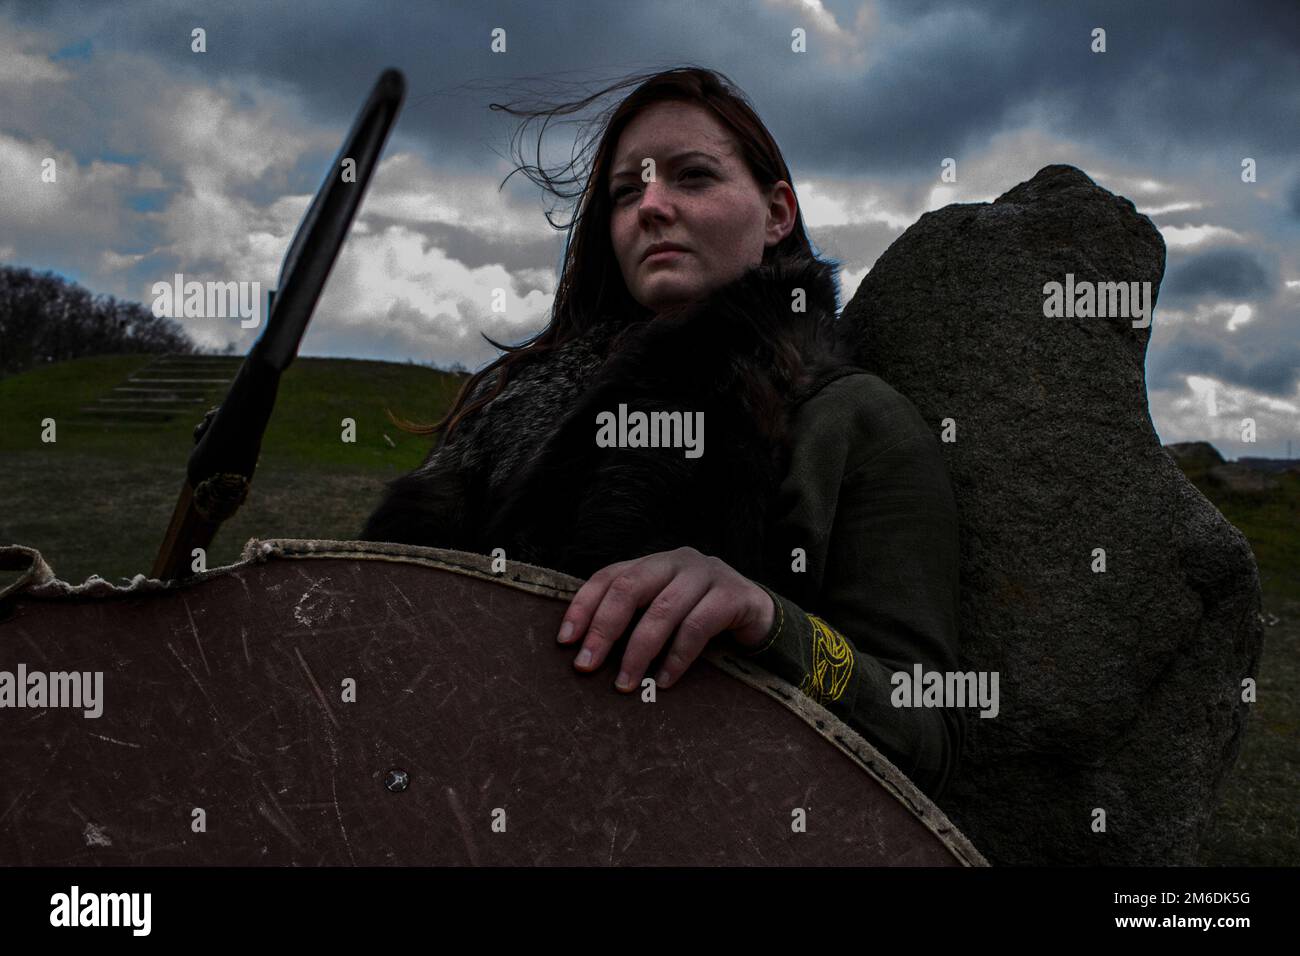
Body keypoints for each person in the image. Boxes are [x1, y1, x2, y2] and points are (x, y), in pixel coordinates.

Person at [360, 66, 964, 800]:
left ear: (777, 213)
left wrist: (767, 619)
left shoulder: (854, 421)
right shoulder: (507, 413)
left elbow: (926, 728)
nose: (650, 206)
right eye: (625, 192)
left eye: (693, 177)